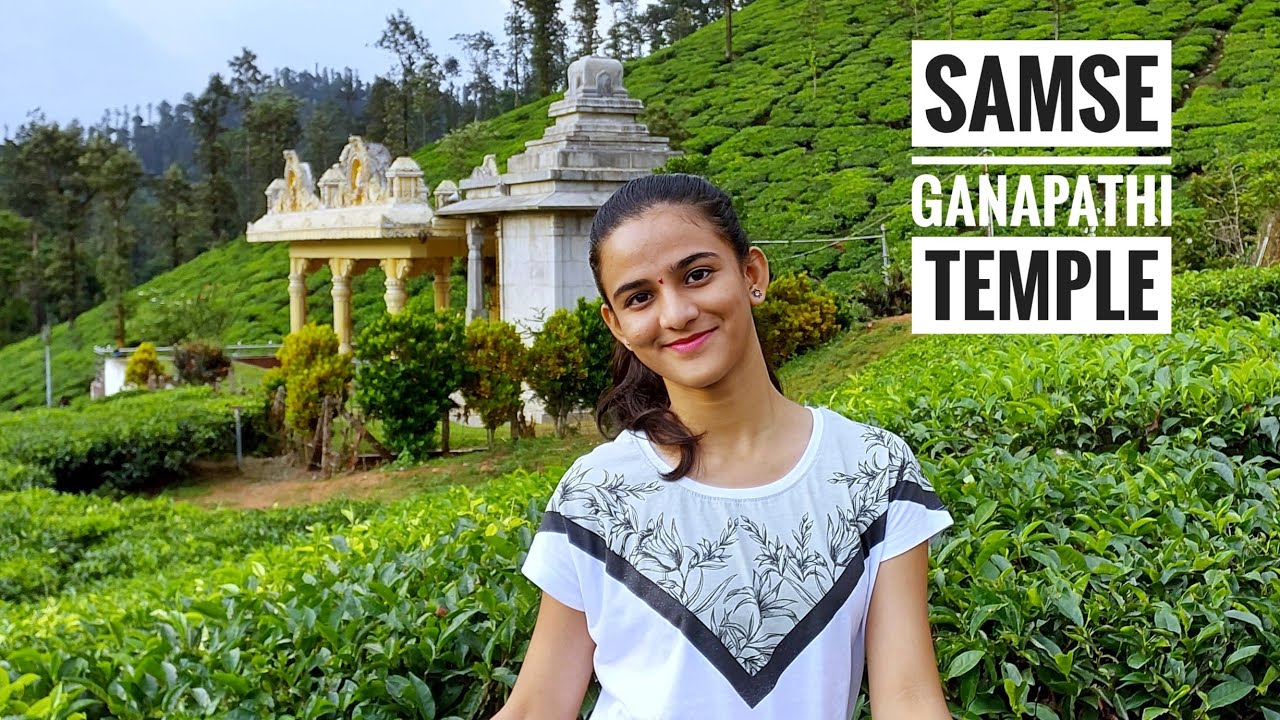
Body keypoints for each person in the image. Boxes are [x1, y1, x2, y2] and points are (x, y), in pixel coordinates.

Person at [495, 174, 954, 719]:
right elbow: (538, 705)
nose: (676, 313)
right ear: (617, 326)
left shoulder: (874, 472)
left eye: (697, 274)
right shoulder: (597, 495)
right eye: (640, 297)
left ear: (752, 274)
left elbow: (909, 699)